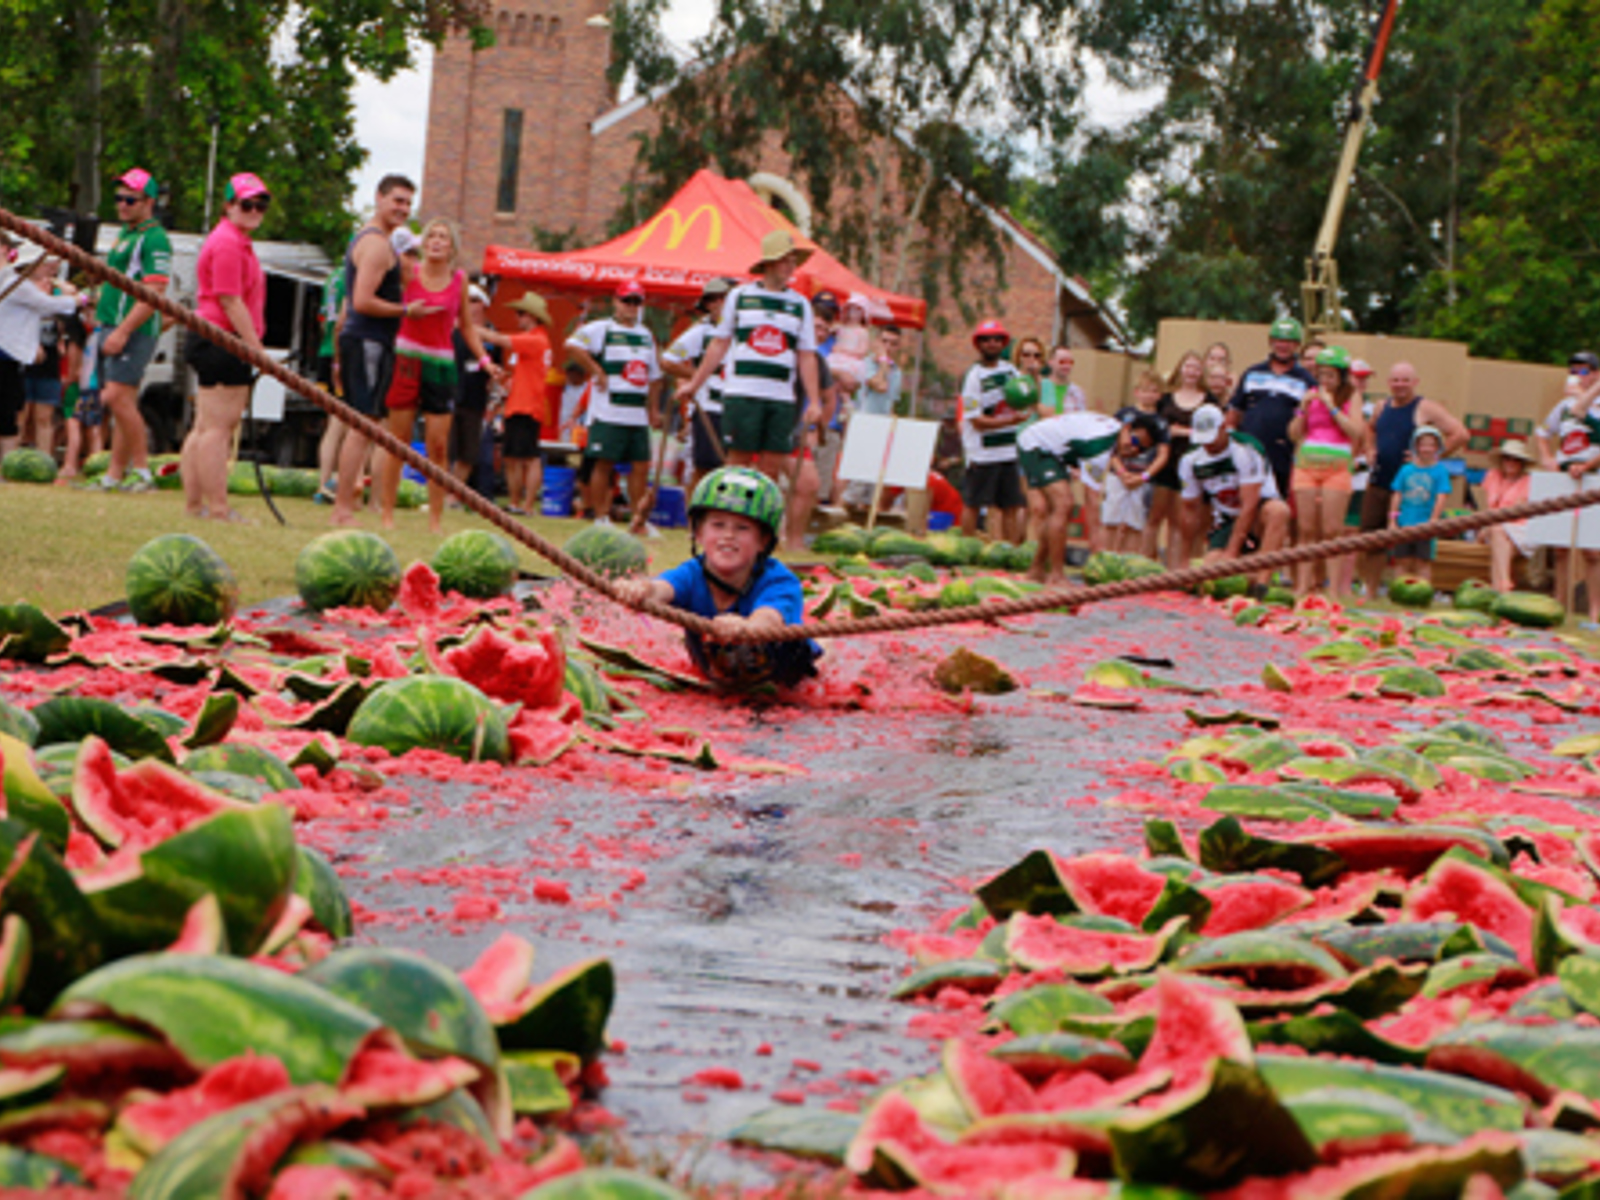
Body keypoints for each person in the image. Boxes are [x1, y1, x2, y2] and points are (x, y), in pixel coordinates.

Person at [613, 465, 821, 692]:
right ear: (699, 533)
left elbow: (769, 618)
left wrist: (747, 627)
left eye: (742, 528)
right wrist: (640, 589)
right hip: (717, 676)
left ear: (763, 541)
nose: (728, 536)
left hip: (783, 680)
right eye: (718, 525)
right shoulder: (692, 573)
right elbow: (662, 588)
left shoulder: (779, 580)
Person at [674, 231, 821, 483]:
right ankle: (732, 507)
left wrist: (814, 402)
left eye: (793, 261)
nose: (790, 266)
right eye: (784, 260)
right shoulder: (740, 296)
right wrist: (695, 383)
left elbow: (807, 355)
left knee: (771, 468)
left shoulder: (800, 304)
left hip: (781, 396)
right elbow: (719, 343)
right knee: (736, 462)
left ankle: (760, 509)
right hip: (742, 392)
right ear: (769, 262)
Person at [377, 218, 492, 532]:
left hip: (441, 365)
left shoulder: (459, 280)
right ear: (424, 242)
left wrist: (485, 361)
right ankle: (387, 513)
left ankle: (435, 520)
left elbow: (466, 326)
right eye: (432, 236)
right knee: (398, 442)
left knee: (438, 446)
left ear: (452, 247)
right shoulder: (409, 272)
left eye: (444, 237)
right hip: (407, 359)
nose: (437, 241)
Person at [178, 172, 270, 522]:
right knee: (218, 428)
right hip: (222, 339)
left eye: (261, 205)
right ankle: (217, 507)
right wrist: (255, 349)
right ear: (229, 205)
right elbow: (230, 299)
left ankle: (194, 505)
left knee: (204, 426)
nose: (254, 211)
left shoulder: (234, 240)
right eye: (247, 204)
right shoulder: (228, 242)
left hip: (212, 337)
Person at [332, 173, 419, 526]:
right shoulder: (376, 245)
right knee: (362, 426)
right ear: (379, 198)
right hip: (368, 340)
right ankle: (342, 508)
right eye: (397, 200)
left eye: (408, 203)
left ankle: (346, 503)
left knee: (367, 425)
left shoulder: (375, 241)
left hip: (367, 340)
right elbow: (362, 301)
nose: (403, 209)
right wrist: (405, 311)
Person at [1358, 362, 1467, 598]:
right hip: (1379, 481)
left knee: (1413, 548)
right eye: (1396, 380)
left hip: (1411, 488)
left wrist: (1434, 456)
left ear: (1415, 382)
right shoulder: (1381, 406)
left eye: (1405, 380)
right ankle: (1370, 591)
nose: (1400, 385)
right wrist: (1370, 448)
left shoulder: (1425, 408)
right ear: (1388, 383)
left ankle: (1413, 593)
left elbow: (1460, 433)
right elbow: (1369, 428)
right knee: (1371, 538)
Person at [91, 167, 170, 491]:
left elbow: (155, 291)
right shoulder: (125, 234)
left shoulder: (155, 238)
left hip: (133, 328)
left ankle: (142, 470)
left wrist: (123, 331)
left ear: (149, 202)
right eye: (119, 198)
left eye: (130, 200)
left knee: (116, 398)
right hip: (110, 322)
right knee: (123, 404)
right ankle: (114, 474)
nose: (122, 205)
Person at [568, 280, 662, 532]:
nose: (631, 306)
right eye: (626, 300)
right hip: (608, 410)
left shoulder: (646, 335)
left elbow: (655, 377)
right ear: (616, 302)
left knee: (640, 466)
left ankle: (638, 519)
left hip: (637, 413)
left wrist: (654, 409)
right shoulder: (602, 328)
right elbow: (572, 345)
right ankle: (601, 517)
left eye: (636, 301)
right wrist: (596, 370)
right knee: (603, 463)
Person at [1018, 410, 1137, 583]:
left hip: (1055, 449)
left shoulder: (1111, 429)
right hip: (1036, 444)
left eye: (1139, 450)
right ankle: (1056, 574)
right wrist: (1096, 543)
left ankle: (1036, 569)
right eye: (1133, 441)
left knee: (1058, 510)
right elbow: (1091, 499)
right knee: (1064, 504)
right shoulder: (1099, 447)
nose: (1132, 449)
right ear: (1126, 428)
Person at [1178, 403, 1291, 584]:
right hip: (1227, 518)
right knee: (1210, 572)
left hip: (1258, 512)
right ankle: (1254, 572)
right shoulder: (1190, 460)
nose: (1208, 445)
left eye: (1211, 438)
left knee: (1279, 511)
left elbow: (1250, 504)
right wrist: (1184, 558)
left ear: (1223, 427)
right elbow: (1189, 509)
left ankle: (1262, 581)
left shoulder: (1245, 449)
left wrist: (1231, 552)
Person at [1288, 345, 1365, 598]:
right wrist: (1302, 409)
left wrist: (1332, 407)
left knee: (1332, 530)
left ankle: (1332, 589)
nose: (1325, 380)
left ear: (1341, 376)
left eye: (1330, 375)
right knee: (1306, 529)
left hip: (1337, 467)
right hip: (1307, 465)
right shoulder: (1311, 394)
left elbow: (1356, 432)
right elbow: (1294, 434)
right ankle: (1302, 586)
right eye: (1321, 374)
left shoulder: (1351, 396)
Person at [1534, 356, 1600, 618]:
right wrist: (1547, 458)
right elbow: (1542, 432)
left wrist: (1587, 465)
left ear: (1595, 374)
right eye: (1574, 370)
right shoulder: (1563, 406)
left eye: (1583, 371)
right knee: (1560, 547)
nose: (1577, 375)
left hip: (1593, 477)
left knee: (1592, 551)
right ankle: (1558, 604)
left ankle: (1595, 610)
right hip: (1563, 477)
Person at [477, 292, 553, 515]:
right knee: (512, 457)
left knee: (528, 457)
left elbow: (499, 339)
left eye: (521, 313)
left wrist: (472, 328)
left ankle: (526, 505)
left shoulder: (535, 339)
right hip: (519, 403)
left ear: (532, 316)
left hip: (526, 405)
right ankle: (516, 503)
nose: (517, 318)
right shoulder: (535, 341)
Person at [0, 249, 78, 462]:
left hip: (11, 357)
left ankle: (7, 463)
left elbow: (42, 310)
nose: (49, 269)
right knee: (8, 413)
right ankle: (6, 463)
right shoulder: (18, 285)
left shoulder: (13, 282)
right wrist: (78, 300)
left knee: (11, 411)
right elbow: (47, 304)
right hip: (6, 355)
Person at [1229, 316, 1317, 500]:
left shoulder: (1306, 381)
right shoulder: (1252, 373)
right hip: (1248, 451)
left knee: (1276, 506)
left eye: (1289, 341)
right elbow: (1235, 412)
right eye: (1279, 340)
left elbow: (1311, 422)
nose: (1283, 346)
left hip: (1282, 455)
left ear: (1297, 345)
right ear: (1271, 341)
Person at [958, 319, 1028, 543]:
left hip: (1008, 451)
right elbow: (976, 420)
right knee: (973, 504)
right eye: (987, 340)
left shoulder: (1011, 371)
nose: (992, 343)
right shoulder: (973, 377)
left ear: (1003, 343)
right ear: (979, 344)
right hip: (982, 453)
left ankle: (1009, 552)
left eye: (997, 339)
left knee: (1011, 505)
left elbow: (1025, 394)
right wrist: (1010, 421)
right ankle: (965, 548)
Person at [662, 277, 734, 489]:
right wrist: (700, 374)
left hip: (739, 405)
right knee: (704, 467)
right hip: (709, 407)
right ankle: (696, 509)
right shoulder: (702, 331)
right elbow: (667, 360)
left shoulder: (744, 330)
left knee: (734, 466)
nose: (718, 303)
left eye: (722, 297)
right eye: (712, 299)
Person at [784, 310, 841, 550]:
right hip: (760, 427)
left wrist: (818, 430)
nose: (819, 333)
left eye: (824, 329)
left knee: (809, 484)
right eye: (815, 327)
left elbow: (830, 399)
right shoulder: (781, 351)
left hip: (793, 432)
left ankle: (794, 541)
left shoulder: (816, 360)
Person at [1150, 350, 1211, 567]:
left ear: (1201, 372)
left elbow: (1210, 432)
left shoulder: (1208, 400)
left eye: (1196, 367)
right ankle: (1147, 566)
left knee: (1179, 521)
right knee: (1154, 517)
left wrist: (1183, 432)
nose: (1191, 371)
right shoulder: (1166, 398)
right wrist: (1170, 431)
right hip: (1163, 463)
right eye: (1188, 366)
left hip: (1191, 465)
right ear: (1180, 369)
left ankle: (1174, 569)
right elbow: (1154, 425)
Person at [838, 324, 904, 515]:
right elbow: (879, 385)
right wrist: (883, 363)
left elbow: (891, 400)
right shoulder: (865, 365)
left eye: (893, 344)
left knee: (872, 490)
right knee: (855, 485)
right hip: (864, 426)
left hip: (882, 428)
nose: (888, 347)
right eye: (884, 342)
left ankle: (862, 523)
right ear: (876, 342)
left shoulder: (897, 372)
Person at [1104, 375, 1169, 554]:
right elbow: (1110, 447)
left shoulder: (1161, 422)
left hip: (1142, 478)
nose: (1149, 395)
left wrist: (1144, 476)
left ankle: (1128, 561)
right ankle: (1106, 557)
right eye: (1145, 390)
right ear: (1137, 392)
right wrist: (1121, 471)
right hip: (1118, 475)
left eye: (1154, 391)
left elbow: (1163, 454)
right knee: (1111, 519)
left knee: (1135, 523)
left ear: (1160, 395)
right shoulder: (1123, 415)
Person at [447, 283, 498, 499]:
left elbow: (498, 369)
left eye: (474, 301)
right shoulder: (453, 330)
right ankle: (442, 492)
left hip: (477, 399)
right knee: (446, 448)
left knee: (469, 452)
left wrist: (494, 403)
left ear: (484, 305)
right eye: (466, 302)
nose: (470, 306)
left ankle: (453, 495)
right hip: (451, 394)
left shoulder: (493, 334)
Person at [1388, 426, 1453, 584]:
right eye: (1423, 444)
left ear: (1437, 448)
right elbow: (1397, 494)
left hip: (1425, 524)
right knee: (1402, 560)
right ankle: (1399, 590)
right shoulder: (1406, 470)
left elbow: (1441, 496)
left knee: (1422, 562)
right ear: (1416, 447)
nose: (1426, 449)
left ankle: (1423, 590)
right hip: (1404, 522)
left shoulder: (1440, 471)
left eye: (1431, 445)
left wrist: (1434, 519)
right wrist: (1392, 520)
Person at [20, 256, 64, 455]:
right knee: (21, 415)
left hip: (49, 367)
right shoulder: (24, 305)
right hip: (24, 365)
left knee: (44, 417)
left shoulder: (56, 308)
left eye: (49, 281)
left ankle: (44, 458)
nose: (46, 283)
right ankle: (12, 458)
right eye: (41, 281)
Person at [1482, 439, 1535, 594]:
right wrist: (1485, 526)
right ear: (1501, 460)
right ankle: (1503, 588)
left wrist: (1489, 526)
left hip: (1521, 528)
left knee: (1498, 538)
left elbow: (1517, 512)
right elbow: (1488, 507)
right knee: (1498, 538)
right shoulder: (1492, 475)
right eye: (1507, 458)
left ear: (1522, 463)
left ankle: (1500, 586)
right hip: (1496, 528)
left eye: (1516, 459)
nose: (1511, 462)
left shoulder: (1528, 481)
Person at [313, 264, 347, 503]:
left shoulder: (333, 276)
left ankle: (324, 481)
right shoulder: (357, 275)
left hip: (325, 352)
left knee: (332, 423)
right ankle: (333, 484)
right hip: (341, 354)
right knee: (344, 425)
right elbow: (342, 321)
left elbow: (323, 321)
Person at [827, 295, 871, 395]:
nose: (854, 313)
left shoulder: (862, 332)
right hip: (835, 359)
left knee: (846, 383)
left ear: (864, 313)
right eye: (852, 309)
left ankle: (845, 399)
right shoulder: (840, 327)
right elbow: (828, 330)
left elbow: (862, 351)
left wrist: (844, 350)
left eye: (858, 310)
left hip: (851, 362)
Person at [1037, 345, 1086, 416]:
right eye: (1062, 362)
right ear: (1050, 362)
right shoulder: (1039, 387)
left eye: (1070, 362)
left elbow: (1081, 420)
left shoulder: (1078, 393)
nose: (1067, 366)